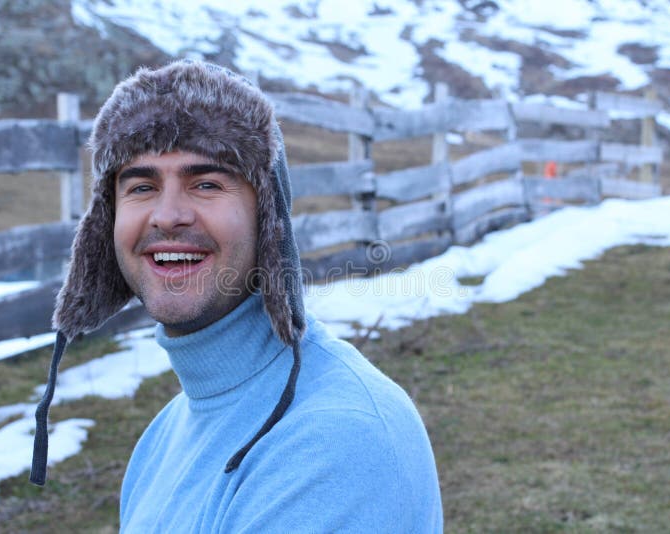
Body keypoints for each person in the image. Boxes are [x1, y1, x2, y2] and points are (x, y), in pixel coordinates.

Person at [30, 59, 443, 532]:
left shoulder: (337, 439)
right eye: (142, 186)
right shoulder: (165, 435)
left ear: (268, 221)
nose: (167, 215)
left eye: (206, 184)